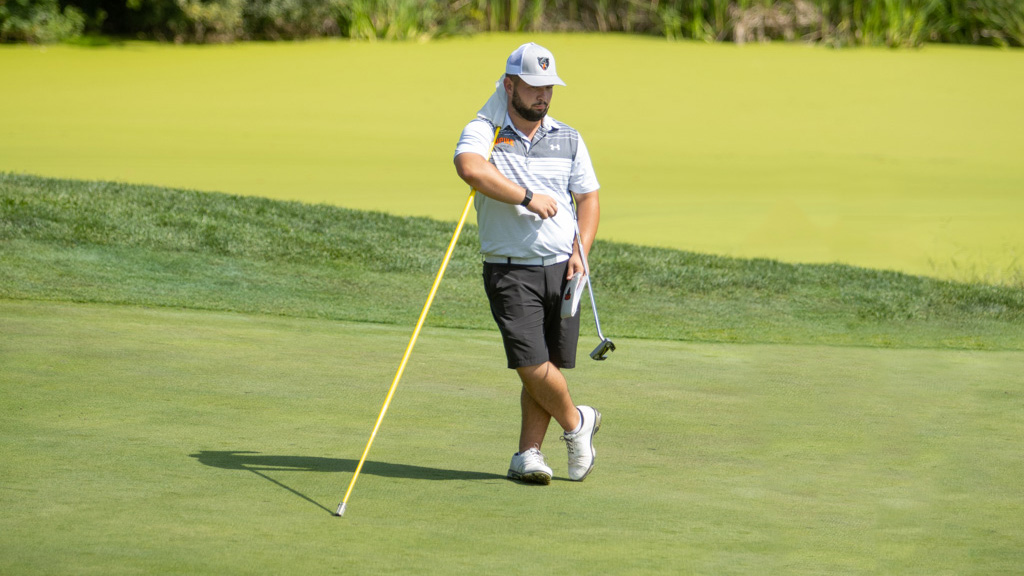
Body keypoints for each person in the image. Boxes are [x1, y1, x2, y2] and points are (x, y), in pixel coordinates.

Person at [453, 42, 602, 485]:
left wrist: (582, 251)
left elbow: (589, 197)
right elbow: (469, 168)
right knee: (530, 362)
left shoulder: (569, 137)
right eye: (534, 86)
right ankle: (578, 422)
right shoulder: (485, 130)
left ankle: (528, 455)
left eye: (549, 87)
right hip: (510, 268)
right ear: (510, 85)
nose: (543, 95)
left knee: (547, 363)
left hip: (564, 268)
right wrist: (527, 197)